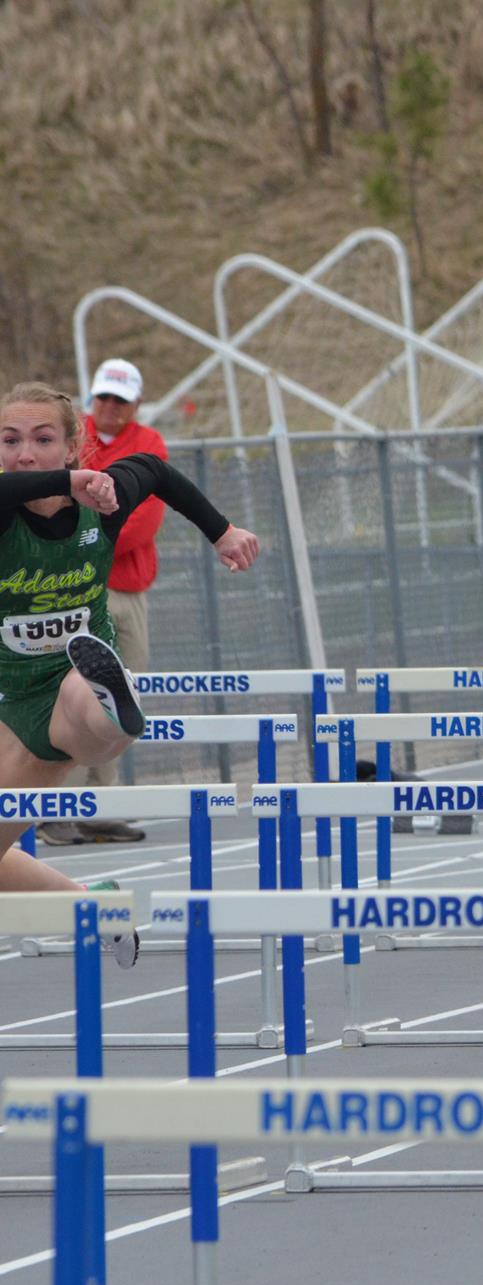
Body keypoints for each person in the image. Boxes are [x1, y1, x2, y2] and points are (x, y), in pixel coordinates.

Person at [0, 383, 259, 944]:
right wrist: (70, 482)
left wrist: (223, 531)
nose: (24, 452)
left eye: (42, 439)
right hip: (6, 696)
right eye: (10, 440)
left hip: (66, 677)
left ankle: (113, 703)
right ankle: (98, 910)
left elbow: (158, 472)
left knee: (84, 716)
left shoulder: (108, 500)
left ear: (74, 445)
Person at [38, 359, 166, 846]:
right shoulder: (71, 439)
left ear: (135, 403)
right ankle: (53, 803)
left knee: (121, 689)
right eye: (103, 398)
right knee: (64, 692)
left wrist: (90, 536)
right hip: (72, 584)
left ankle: (100, 802)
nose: (110, 408)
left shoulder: (149, 444)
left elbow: (144, 518)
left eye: (121, 400)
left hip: (125, 586)